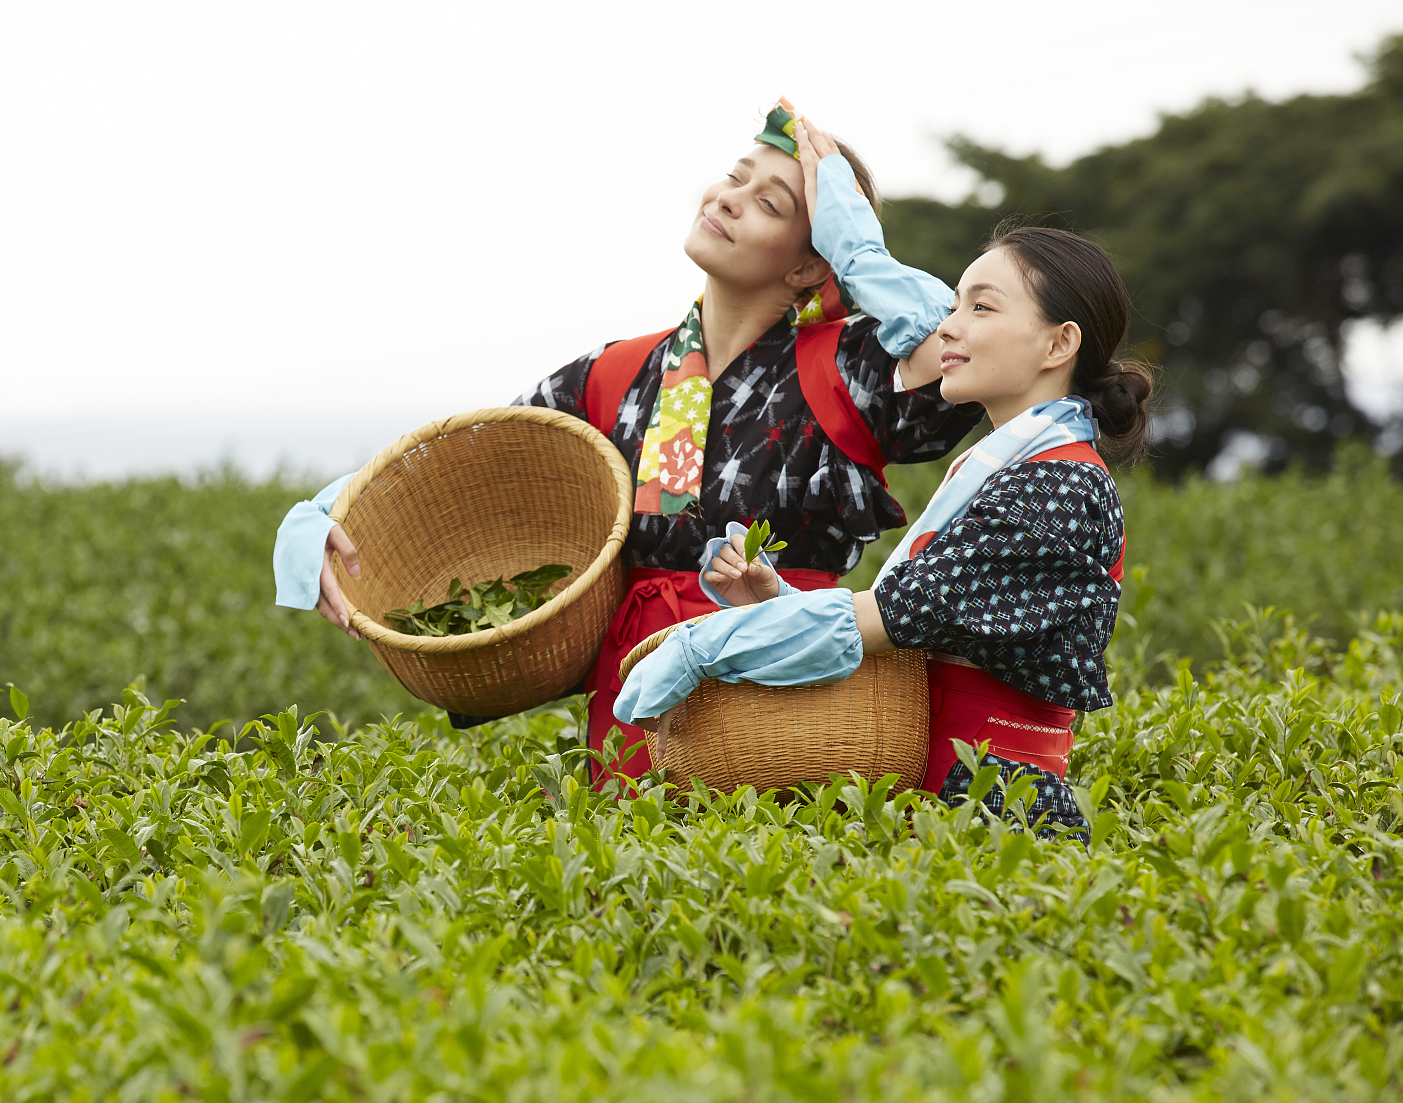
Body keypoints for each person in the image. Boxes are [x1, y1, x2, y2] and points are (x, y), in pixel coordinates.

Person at [273, 103, 982, 784]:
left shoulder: (849, 366)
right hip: (638, 696)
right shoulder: (613, 374)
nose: (731, 199)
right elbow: (469, 466)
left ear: (808, 264)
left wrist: (857, 246)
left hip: (789, 702)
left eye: (772, 204)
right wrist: (329, 510)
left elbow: (958, 345)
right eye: (737, 177)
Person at [617, 220, 1152, 842]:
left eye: (981, 307)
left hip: (998, 812)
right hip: (956, 801)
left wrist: (707, 646)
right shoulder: (1019, 467)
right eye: (955, 305)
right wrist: (777, 603)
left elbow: (893, 617)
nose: (949, 327)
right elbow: (922, 619)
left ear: (1059, 344)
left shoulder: (1059, 486)